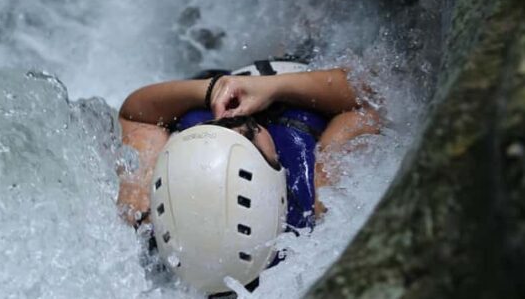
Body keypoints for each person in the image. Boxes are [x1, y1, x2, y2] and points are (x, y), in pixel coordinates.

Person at [116, 59, 381, 294]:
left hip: (205, 84)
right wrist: (274, 87)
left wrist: (212, 89)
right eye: (249, 135)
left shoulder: (148, 216)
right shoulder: (316, 197)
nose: (234, 118)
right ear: (274, 186)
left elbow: (134, 117)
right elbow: (371, 98)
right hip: (309, 76)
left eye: (213, 129)